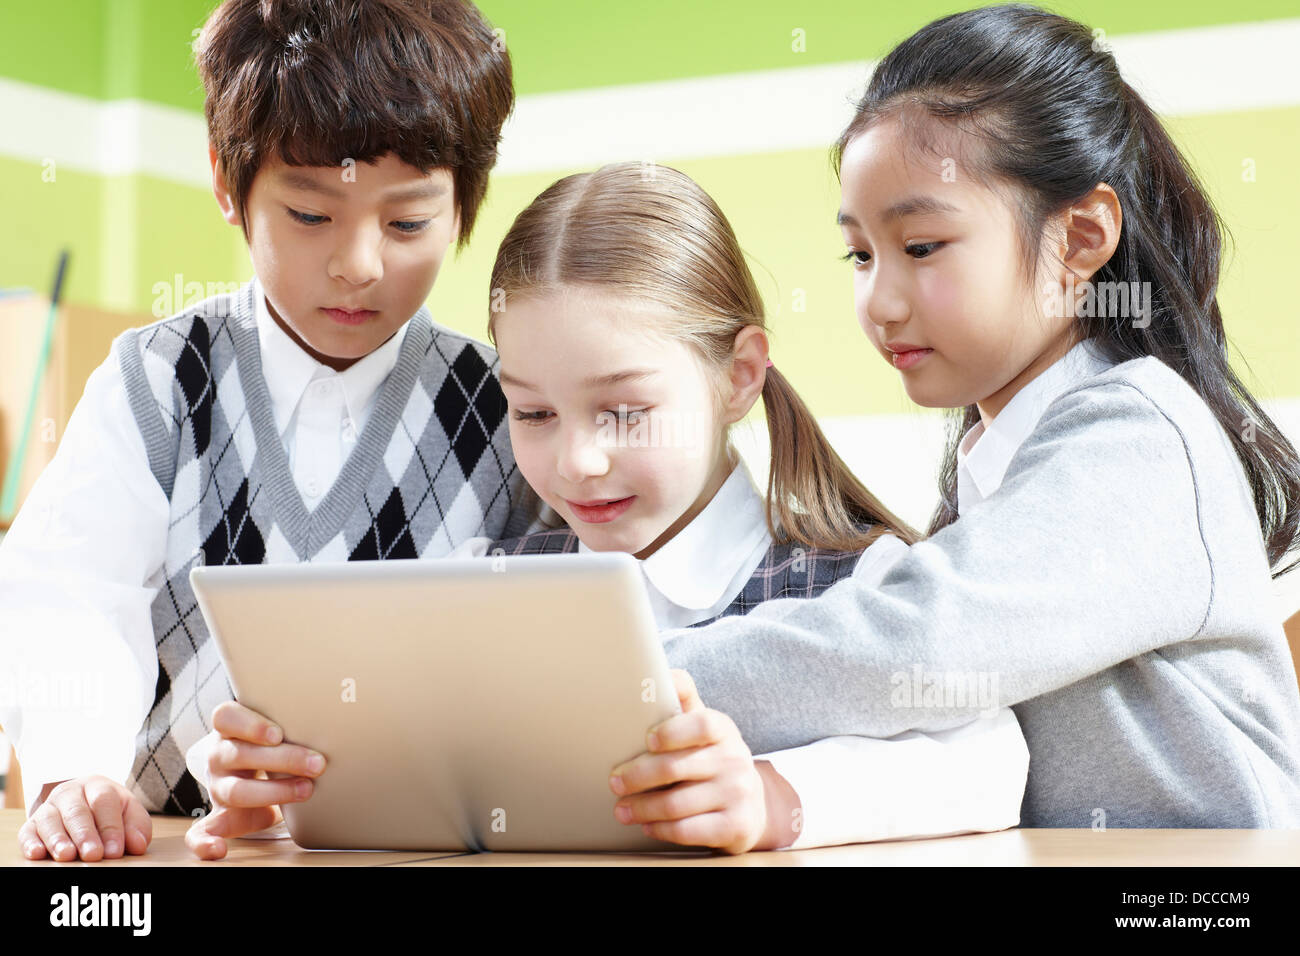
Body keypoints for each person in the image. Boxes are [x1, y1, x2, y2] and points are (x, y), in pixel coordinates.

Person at [190, 162, 1030, 857]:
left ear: (739, 376)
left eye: (624, 410)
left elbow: (994, 758)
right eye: (534, 414)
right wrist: (283, 796)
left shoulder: (861, 581)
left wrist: (778, 800)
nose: (577, 463)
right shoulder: (483, 584)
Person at [652, 3, 1300, 828]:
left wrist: (633, 681)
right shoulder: (1004, 462)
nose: (878, 302)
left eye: (921, 247)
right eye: (860, 255)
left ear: (1081, 237)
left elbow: (912, 644)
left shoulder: (1140, 435)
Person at [4, 0, 544, 863]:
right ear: (226, 181)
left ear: (464, 205)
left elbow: (545, 651)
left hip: (417, 848)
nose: (358, 264)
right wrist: (79, 779)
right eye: (309, 214)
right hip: (172, 844)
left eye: (408, 222)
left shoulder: (513, 403)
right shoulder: (157, 380)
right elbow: (73, 591)